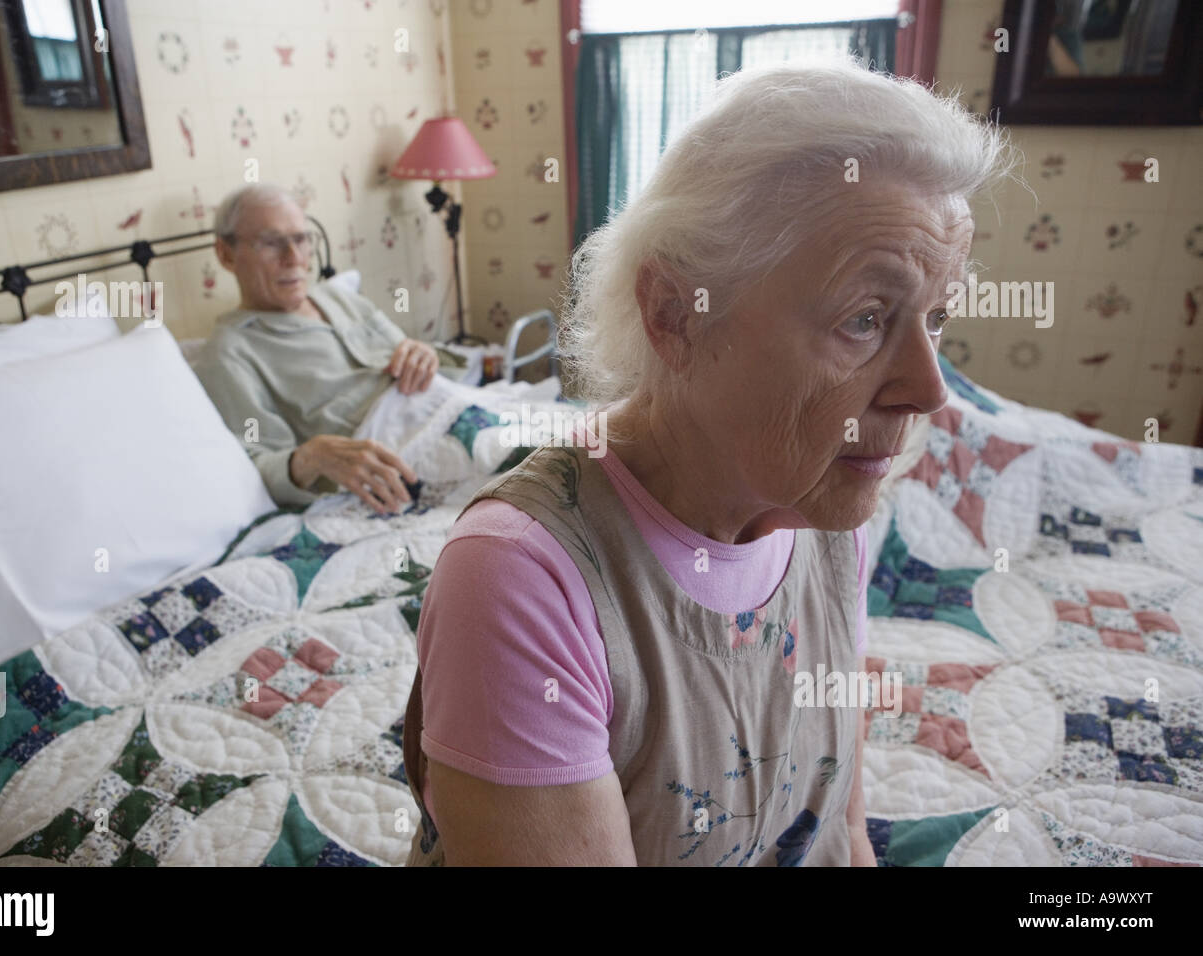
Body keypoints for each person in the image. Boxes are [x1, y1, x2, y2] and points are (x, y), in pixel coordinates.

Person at [401, 57, 1017, 866]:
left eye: (935, 318)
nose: (930, 390)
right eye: (865, 318)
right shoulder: (520, 578)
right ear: (674, 316)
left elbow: (840, 830)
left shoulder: (829, 515)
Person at [195, 184, 464, 513]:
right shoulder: (230, 353)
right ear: (225, 254)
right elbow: (253, 464)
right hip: (399, 457)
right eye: (270, 243)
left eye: (301, 239)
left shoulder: (337, 297)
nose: (294, 258)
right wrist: (311, 457)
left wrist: (425, 354)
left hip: (451, 406)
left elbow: (413, 357)